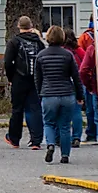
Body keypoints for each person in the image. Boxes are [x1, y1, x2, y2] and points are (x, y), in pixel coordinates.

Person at [35, 24, 84, 164]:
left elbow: (37, 78)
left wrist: (40, 94)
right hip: (67, 93)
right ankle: (65, 155)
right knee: (64, 126)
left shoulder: (41, 55)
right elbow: (76, 76)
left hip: (49, 93)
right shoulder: (68, 55)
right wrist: (80, 96)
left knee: (49, 123)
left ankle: (50, 144)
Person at [3, 16, 45, 149]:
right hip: (35, 79)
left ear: (19, 26)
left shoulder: (14, 42)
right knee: (35, 109)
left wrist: (11, 78)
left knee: (17, 109)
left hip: (19, 79)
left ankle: (14, 139)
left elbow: (8, 62)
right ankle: (36, 140)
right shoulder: (38, 42)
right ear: (31, 26)